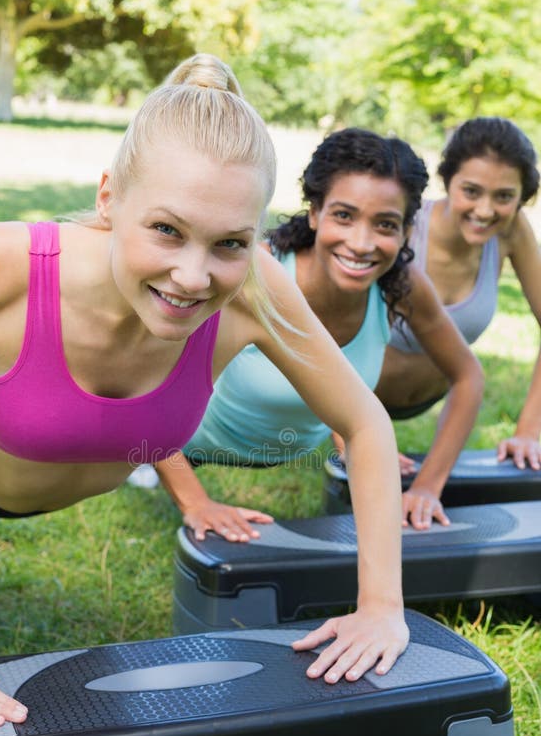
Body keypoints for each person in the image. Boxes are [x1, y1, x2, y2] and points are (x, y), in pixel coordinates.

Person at [0, 57, 408, 730]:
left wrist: (381, 607)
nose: (193, 276)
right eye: (166, 229)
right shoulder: (0, 265)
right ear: (109, 197)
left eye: (230, 243)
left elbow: (365, 424)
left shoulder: (255, 288)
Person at [154, 128, 483, 536]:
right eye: (344, 215)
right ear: (315, 213)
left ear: (406, 230)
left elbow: (468, 376)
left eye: (385, 224)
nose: (361, 243)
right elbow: (146, 385)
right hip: (190, 444)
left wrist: (425, 486)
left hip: (293, 451)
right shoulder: (255, 272)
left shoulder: (400, 285)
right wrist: (196, 503)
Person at [378, 116, 541, 470]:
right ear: (447, 180)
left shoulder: (512, 231)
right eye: (471, 191)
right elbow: (330, 326)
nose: (485, 210)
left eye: (504, 196)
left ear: (522, 198)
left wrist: (529, 430)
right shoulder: (406, 224)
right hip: (362, 394)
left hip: (434, 395)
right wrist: (349, 429)